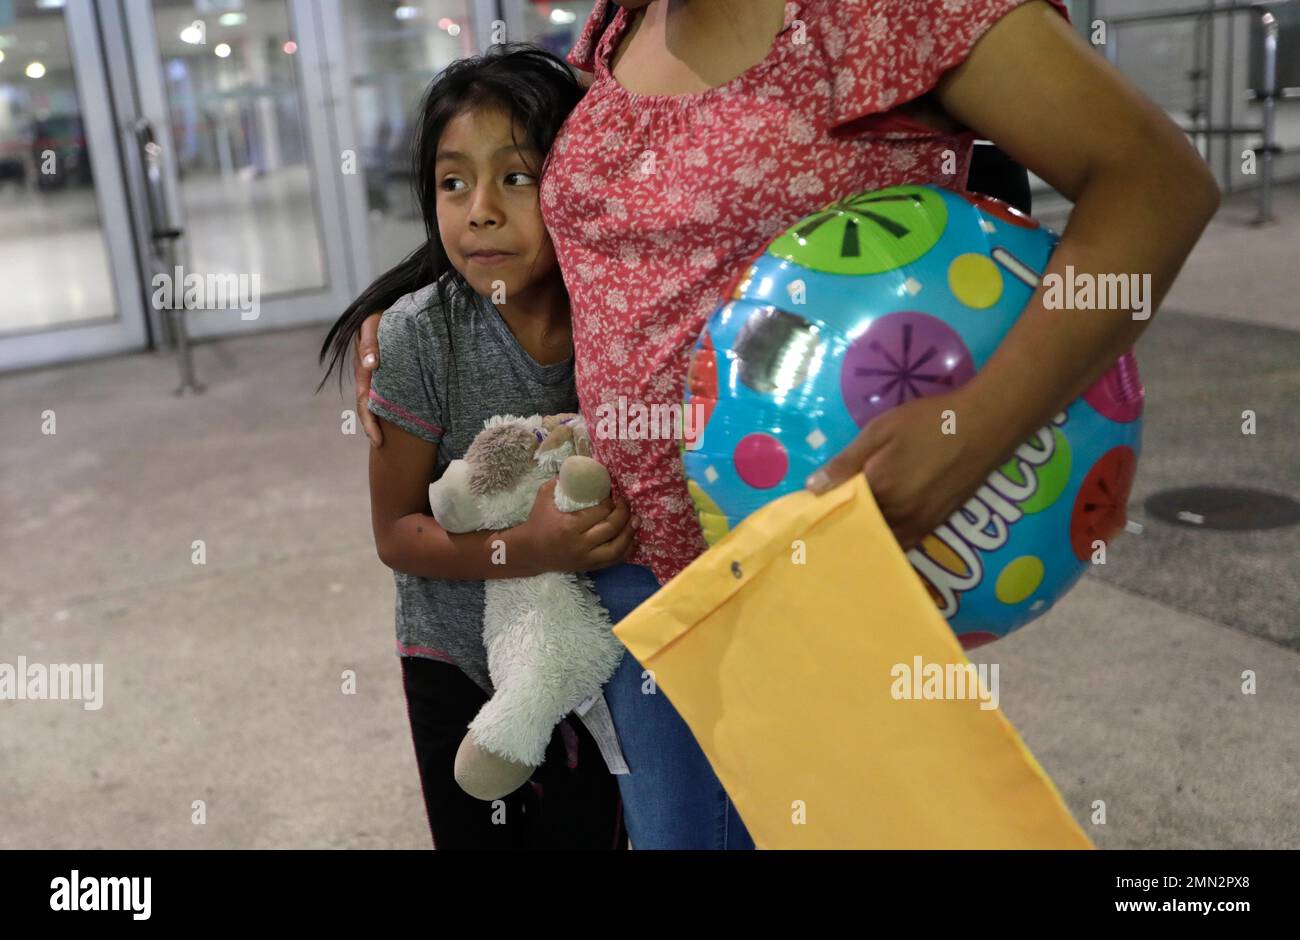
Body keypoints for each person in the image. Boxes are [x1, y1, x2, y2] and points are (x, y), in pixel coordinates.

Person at [344, 0, 1221, 849]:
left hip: (803, 563)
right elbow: (561, 206)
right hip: (632, 571)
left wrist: (975, 427)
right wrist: (415, 307)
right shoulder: (621, 20)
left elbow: (1155, 185)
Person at [318, 45, 637, 849]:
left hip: (588, 658)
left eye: (517, 177)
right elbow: (396, 534)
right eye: (453, 182)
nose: (480, 210)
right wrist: (525, 548)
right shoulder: (420, 337)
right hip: (453, 662)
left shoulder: (618, 320)